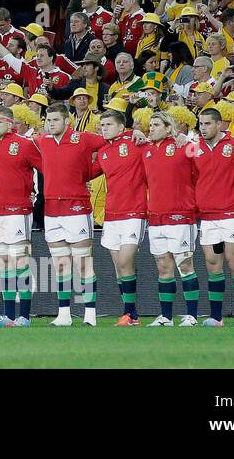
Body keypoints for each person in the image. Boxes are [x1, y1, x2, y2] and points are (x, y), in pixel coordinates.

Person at [35, 103, 106, 326]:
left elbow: (110, 143)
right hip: (51, 210)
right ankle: (64, 314)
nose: (50, 124)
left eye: (55, 120)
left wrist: (90, 172)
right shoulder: (42, 140)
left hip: (77, 208)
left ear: (67, 121)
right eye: (48, 120)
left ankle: (90, 314)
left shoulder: (83, 138)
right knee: (61, 265)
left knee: (83, 263)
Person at [0, 105, 42, 326]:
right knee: (3, 263)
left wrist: (36, 195)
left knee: (20, 261)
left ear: (10, 124)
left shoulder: (25, 144)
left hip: (18, 210)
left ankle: (25, 316)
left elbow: (47, 167)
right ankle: (9, 316)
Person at [192, 107, 234, 327]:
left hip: (232, 213)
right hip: (206, 216)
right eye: (201, 124)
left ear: (219, 125)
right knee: (212, 265)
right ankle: (216, 317)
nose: (203, 128)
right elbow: (190, 176)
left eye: (207, 123)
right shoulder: (194, 148)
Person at [141, 112, 201, 327]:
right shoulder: (146, 150)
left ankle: (192, 316)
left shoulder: (183, 145)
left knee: (185, 265)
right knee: (163, 268)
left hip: (181, 215)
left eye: (156, 125)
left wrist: (191, 140)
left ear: (168, 128)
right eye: (150, 125)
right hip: (156, 216)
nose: (151, 128)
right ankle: (166, 317)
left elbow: (204, 158)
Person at [94, 110, 148, 326]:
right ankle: (131, 315)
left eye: (108, 124)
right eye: (102, 125)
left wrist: (140, 132)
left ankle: (129, 313)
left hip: (134, 211)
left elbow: (158, 145)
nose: (103, 128)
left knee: (126, 261)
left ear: (120, 127)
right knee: (119, 266)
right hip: (112, 214)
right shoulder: (103, 151)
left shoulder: (136, 141)